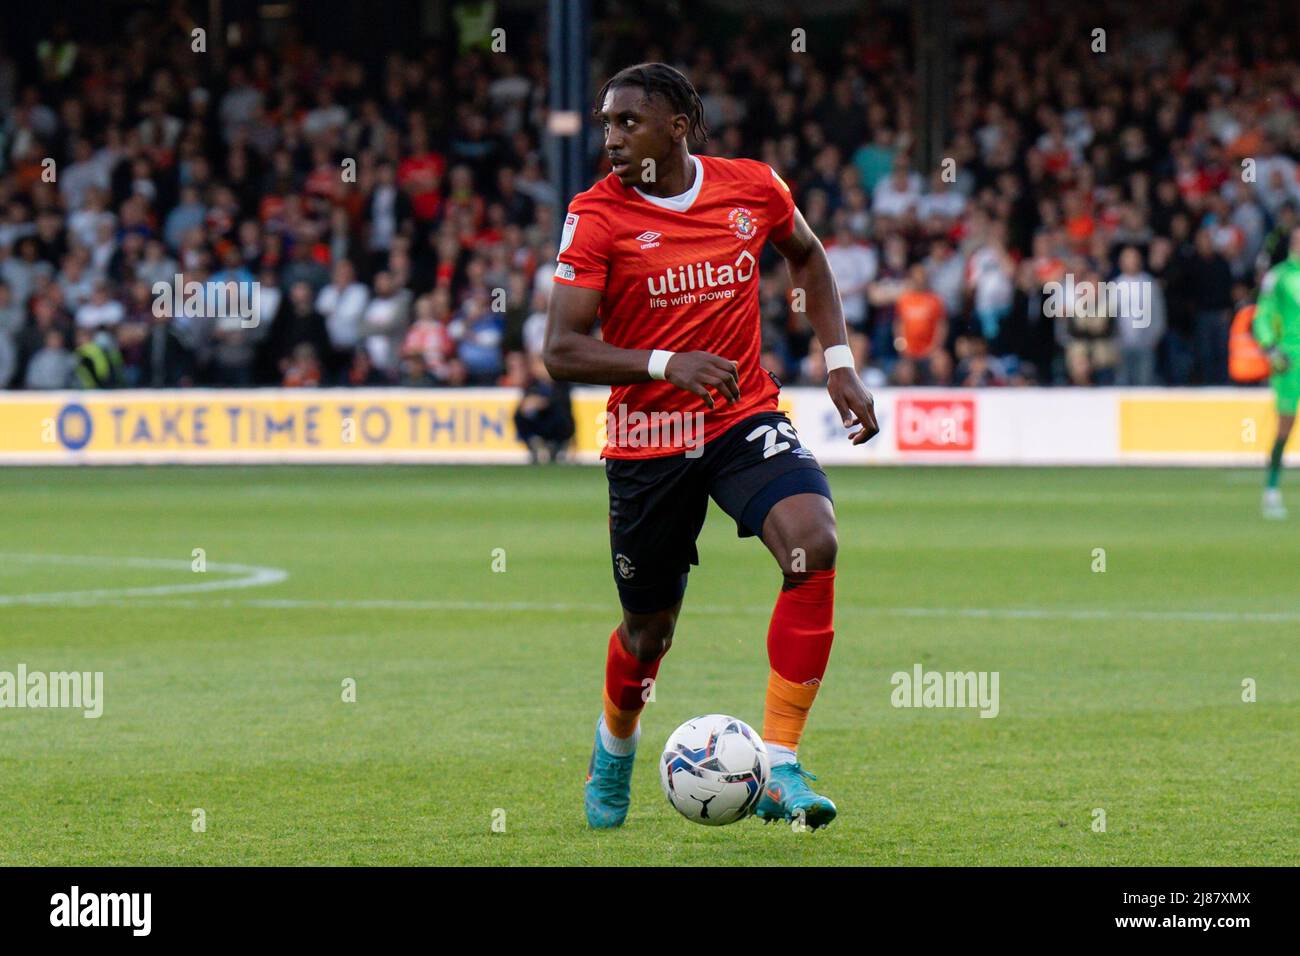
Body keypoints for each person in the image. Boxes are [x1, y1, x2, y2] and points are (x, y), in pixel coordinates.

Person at [543, 63, 878, 831]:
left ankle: (783, 763)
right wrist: (665, 364)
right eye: (605, 123)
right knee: (649, 630)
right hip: (648, 436)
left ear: (678, 126)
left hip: (739, 416)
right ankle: (615, 746)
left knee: (813, 542)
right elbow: (560, 349)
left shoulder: (753, 187)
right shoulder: (595, 216)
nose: (612, 138)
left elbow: (809, 257)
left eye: (628, 122)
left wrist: (838, 363)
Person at [1252, 227, 1300, 519]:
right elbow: (1263, 315)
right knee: (1285, 425)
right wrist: (1270, 347)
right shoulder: (1279, 276)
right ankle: (1271, 489)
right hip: (1289, 359)